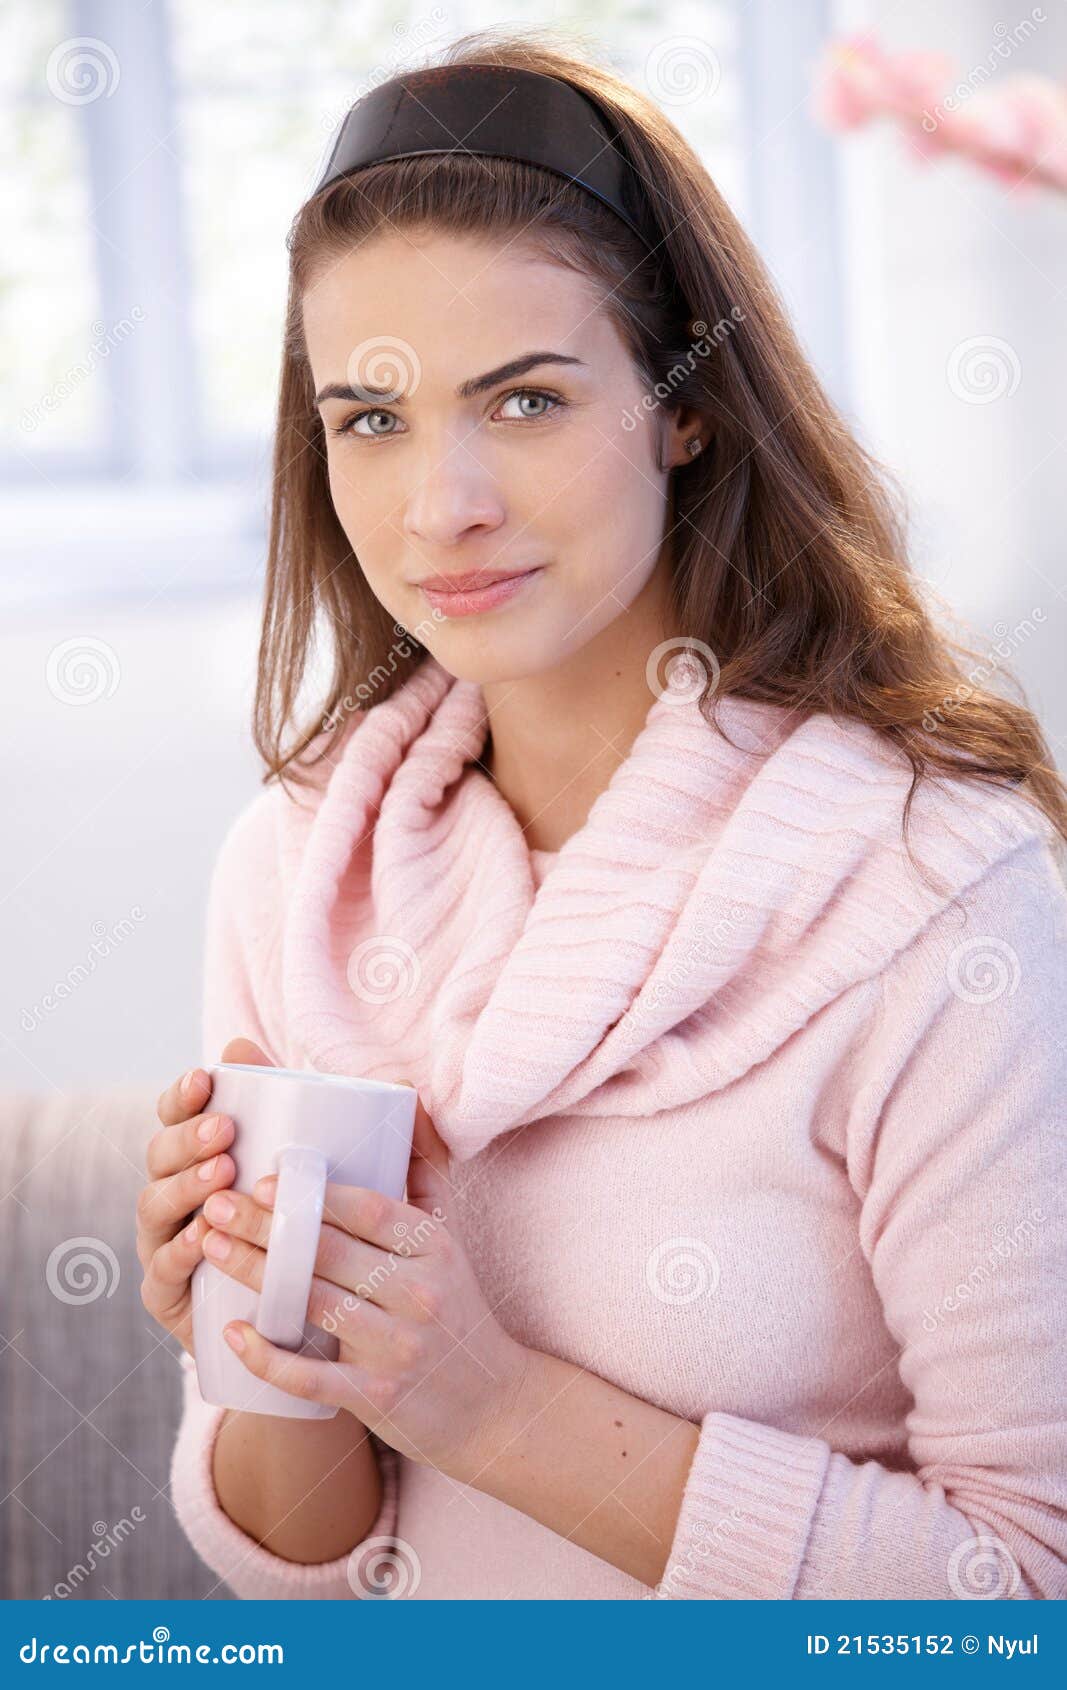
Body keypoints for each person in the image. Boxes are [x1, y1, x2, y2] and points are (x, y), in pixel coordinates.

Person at [138, 29, 1067, 1600]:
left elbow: (1027, 1595)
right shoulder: (301, 869)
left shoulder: (931, 888)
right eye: (370, 416)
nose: (443, 506)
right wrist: (268, 1340)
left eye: (526, 400)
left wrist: (491, 1403)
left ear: (683, 405)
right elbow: (304, 1581)